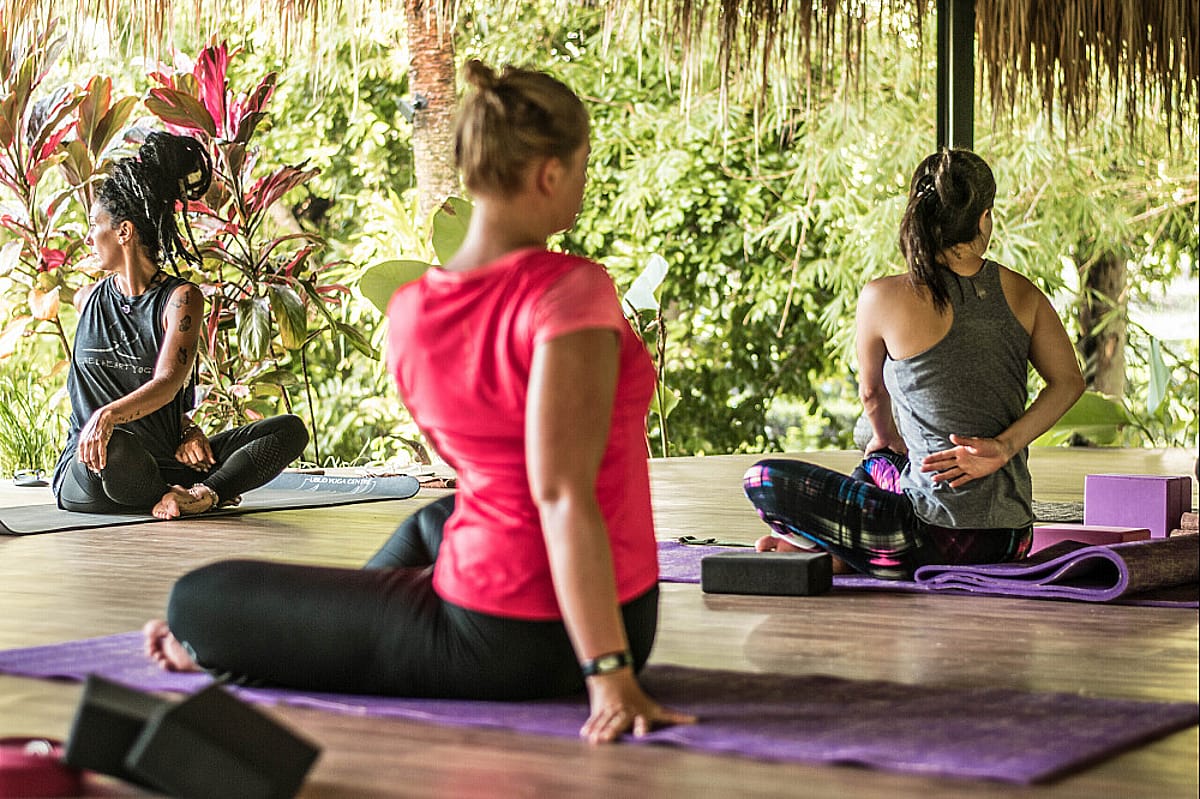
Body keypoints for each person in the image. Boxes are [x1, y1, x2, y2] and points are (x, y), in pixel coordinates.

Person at [143, 61, 694, 744]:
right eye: (581, 170)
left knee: (198, 601)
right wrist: (612, 666)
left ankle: (326, 634)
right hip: (593, 619)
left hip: (522, 629)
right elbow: (556, 492)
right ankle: (342, 625)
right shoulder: (572, 290)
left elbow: (530, 482)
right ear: (550, 174)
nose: (581, 189)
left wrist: (605, 673)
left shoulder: (412, 313)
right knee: (437, 519)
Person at [744, 149, 1085, 579]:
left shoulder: (882, 296)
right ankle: (838, 556)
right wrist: (1003, 448)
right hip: (1011, 539)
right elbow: (1069, 381)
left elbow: (872, 394)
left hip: (927, 537)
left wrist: (886, 436)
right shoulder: (1023, 294)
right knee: (879, 468)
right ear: (984, 219)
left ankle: (833, 552)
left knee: (764, 479)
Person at [52, 132, 309, 520]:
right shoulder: (87, 298)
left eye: (95, 225)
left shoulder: (180, 299)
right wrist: (104, 421)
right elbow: (106, 392)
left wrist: (184, 429)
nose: (89, 237)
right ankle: (194, 491)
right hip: (94, 469)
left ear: (124, 231)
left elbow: (169, 382)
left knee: (289, 430)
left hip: (160, 461)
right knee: (118, 447)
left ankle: (201, 494)